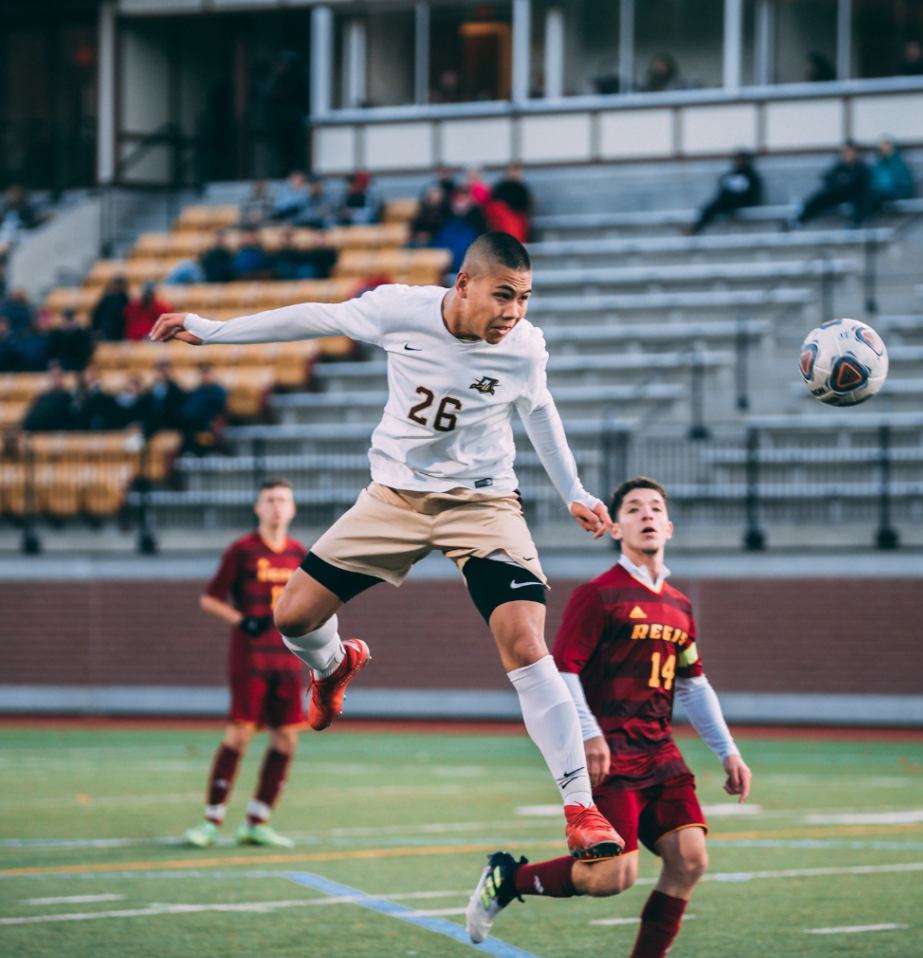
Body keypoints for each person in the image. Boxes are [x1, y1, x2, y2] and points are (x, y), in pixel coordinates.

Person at [149, 231, 624, 862]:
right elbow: (313, 317)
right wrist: (210, 329)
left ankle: (580, 810)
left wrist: (573, 490)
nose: (514, 311)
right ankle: (333, 666)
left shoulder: (525, 347)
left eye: (525, 297)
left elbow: (540, 409)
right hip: (392, 499)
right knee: (291, 616)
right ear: (463, 285)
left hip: (483, 505)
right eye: (503, 294)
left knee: (526, 642)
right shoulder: (398, 309)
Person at [465, 478, 752, 958]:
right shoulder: (596, 595)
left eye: (656, 508)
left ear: (668, 527)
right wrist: (590, 733)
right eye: (634, 508)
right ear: (615, 528)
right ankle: (509, 878)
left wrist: (727, 751)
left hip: (660, 753)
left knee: (690, 858)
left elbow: (693, 685)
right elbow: (562, 669)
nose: (647, 514)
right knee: (613, 876)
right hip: (610, 755)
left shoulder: (681, 606)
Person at [184, 480, 308, 849]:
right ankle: (211, 820)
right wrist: (241, 620)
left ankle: (257, 820)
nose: (276, 507)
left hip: (287, 659)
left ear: (293, 508)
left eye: (283, 500)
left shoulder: (300, 553)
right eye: (269, 500)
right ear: (257, 507)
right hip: (250, 658)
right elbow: (210, 598)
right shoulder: (242, 550)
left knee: (287, 739)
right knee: (239, 733)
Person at [794, 142, 872, 228]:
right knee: (820, 198)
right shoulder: (840, 166)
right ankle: (801, 219)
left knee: (861, 200)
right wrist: (842, 182)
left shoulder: (860, 167)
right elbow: (828, 178)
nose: (849, 154)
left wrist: (845, 181)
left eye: (851, 152)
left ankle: (856, 223)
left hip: (854, 195)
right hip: (838, 194)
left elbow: (861, 182)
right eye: (847, 152)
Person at [689, 151, 763, 234]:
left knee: (719, 205)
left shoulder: (751, 176)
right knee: (710, 208)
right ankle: (696, 227)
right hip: (729, 202)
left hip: (742, 202)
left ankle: (695, 228)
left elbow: (753, 194)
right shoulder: (731, 174)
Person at [177, 364, 227, 454]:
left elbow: (218, 408)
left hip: (206, 423)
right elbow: (186, 407)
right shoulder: (196, 391)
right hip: (189, 423)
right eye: (202, 373)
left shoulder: (218, 391)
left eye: (206, 373)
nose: (204, 376)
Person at [138, 359, 185, 438]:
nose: (162, 372)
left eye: (165, 369)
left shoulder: (174, 388)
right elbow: (145, 404)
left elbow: (179, 401)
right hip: (154, 419)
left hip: (170, 419)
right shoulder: (152, 388)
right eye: (160, 369)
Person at [486, 165, 532, 243]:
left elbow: (524, 204)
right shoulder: (502, 186)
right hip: (505, 216)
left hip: (516, 216)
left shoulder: (521, 188)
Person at [22, 363, 72, 432]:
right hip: (42, 430)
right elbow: (29, 421)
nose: (57, 379)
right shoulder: (44, 397)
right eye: (54, 376)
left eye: (59, 375)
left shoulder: (67, 398)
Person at [869, 136, 913, 209]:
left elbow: (906, 185)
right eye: (882, 147)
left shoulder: (899, 166)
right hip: (878, 195)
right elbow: (871, 183)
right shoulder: (876, 167)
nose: (884, 149)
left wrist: (895, 191)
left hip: (895, 194)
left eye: (886, 146)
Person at [91, 277, 130, 341]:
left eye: (118, 286)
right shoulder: (106, 300)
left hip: (120, 333)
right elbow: (96, 315)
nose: (116, 288)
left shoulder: (125, 300)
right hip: (106, 331)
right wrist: (96, 329)